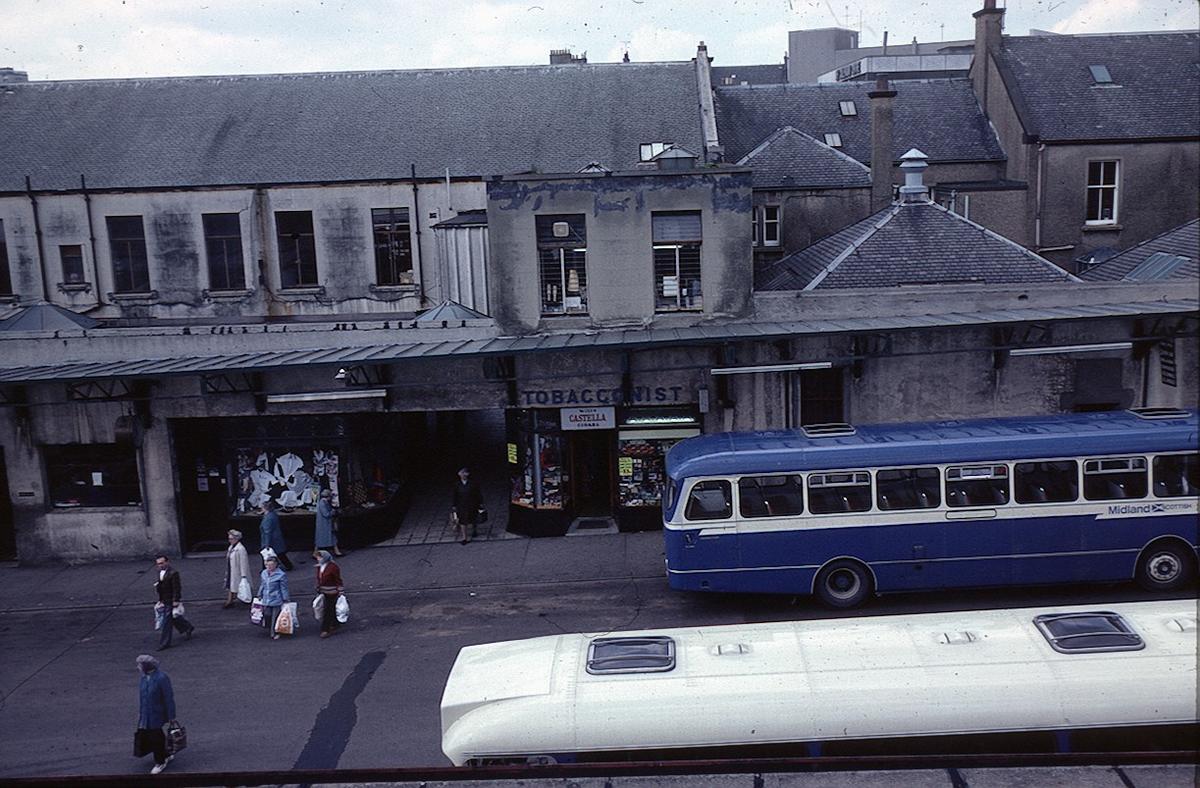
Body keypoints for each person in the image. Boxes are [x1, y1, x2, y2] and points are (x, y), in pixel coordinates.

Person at [134, 654, 177, 774]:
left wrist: (171, 716)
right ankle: (165, 754)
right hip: (147, 713)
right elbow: (142, 697)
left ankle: (160, 761)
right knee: (156, 734)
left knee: (155, 736)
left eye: (140, 665)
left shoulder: (162, 678)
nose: (138, 667)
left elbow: (168, 698)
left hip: (156, 713)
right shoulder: (144, 677)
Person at [153, 555, 195, 651]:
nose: (160, 565)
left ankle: (165, 643)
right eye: (158, 564)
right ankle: (187, 627)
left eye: (162, 563)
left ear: (167, 562)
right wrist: (160, 599)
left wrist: (176, 600)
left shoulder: (173, 573)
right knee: (172, 617)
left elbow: (177, 587)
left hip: (170, 599)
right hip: (165, 599)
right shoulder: (160, 572)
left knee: (166, 622)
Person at [258, 555, 290, 640]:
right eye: (267, 565)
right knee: (267, 614)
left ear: (276, 565)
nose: (269, 567)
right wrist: (259, 594)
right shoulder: (264, 573)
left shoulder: (281, 575)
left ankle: (274, 632)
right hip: (266, 597)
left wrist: (285, 598)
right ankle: (269, 627)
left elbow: (284, 587)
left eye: (271, 565)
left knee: (275, 617)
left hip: (276, 598)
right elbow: (262, 585)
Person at [314, 550, 344, 639]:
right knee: (330, 609)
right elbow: (319, 579)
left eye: (319, 557)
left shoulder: (333, 567)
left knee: (327, 610)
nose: (318, 559)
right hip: (324, 591)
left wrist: (340, 591)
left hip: (332, 592)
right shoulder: (320, 567)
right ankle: (335, 623)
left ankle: (325, 629)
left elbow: (338, 579)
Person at [259, 499, 294, 571]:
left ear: (265, 508)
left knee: (266, 554)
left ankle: (265, 569)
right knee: (280, 554)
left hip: (272, 540)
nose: (261, 509)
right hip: (276, 538)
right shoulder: (273, 514)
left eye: (262, 507)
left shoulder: (268, 518)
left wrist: (267, 544)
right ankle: (288, 565)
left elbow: (267, 532)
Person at [451, 466, 482, 545]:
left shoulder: (473, 483)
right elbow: (455, 495)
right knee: (462, 521)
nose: (462, 475)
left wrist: (480, 503)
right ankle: (464, 538)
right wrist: (454, 505)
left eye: (464, 473)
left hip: (472, 504)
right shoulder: (457, 484)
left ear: (467, 474)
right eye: (461, 473)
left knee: (473, 518)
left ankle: (474, 530)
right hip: (461, 505)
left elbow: (478, 494)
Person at [223, 529, 252, 609]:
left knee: (237, 586)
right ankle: (230, 600)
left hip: (238, 571)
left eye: (231, 539)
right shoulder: (231, 547)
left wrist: (243, 575)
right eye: (229, 539)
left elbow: (244, 562)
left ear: (236, 539)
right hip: (232, 570)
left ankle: (232, 600)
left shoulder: (241, 549)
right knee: (231, 585)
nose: (230, 541)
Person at [313, 489, 343, 558]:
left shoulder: (322, 502)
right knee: (326, 538)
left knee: (328, 538)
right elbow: (326, 514)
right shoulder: (323, 503)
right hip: (325, 525)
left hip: (325, 524)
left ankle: (336, 551)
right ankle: (336, 551)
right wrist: (333, 511)